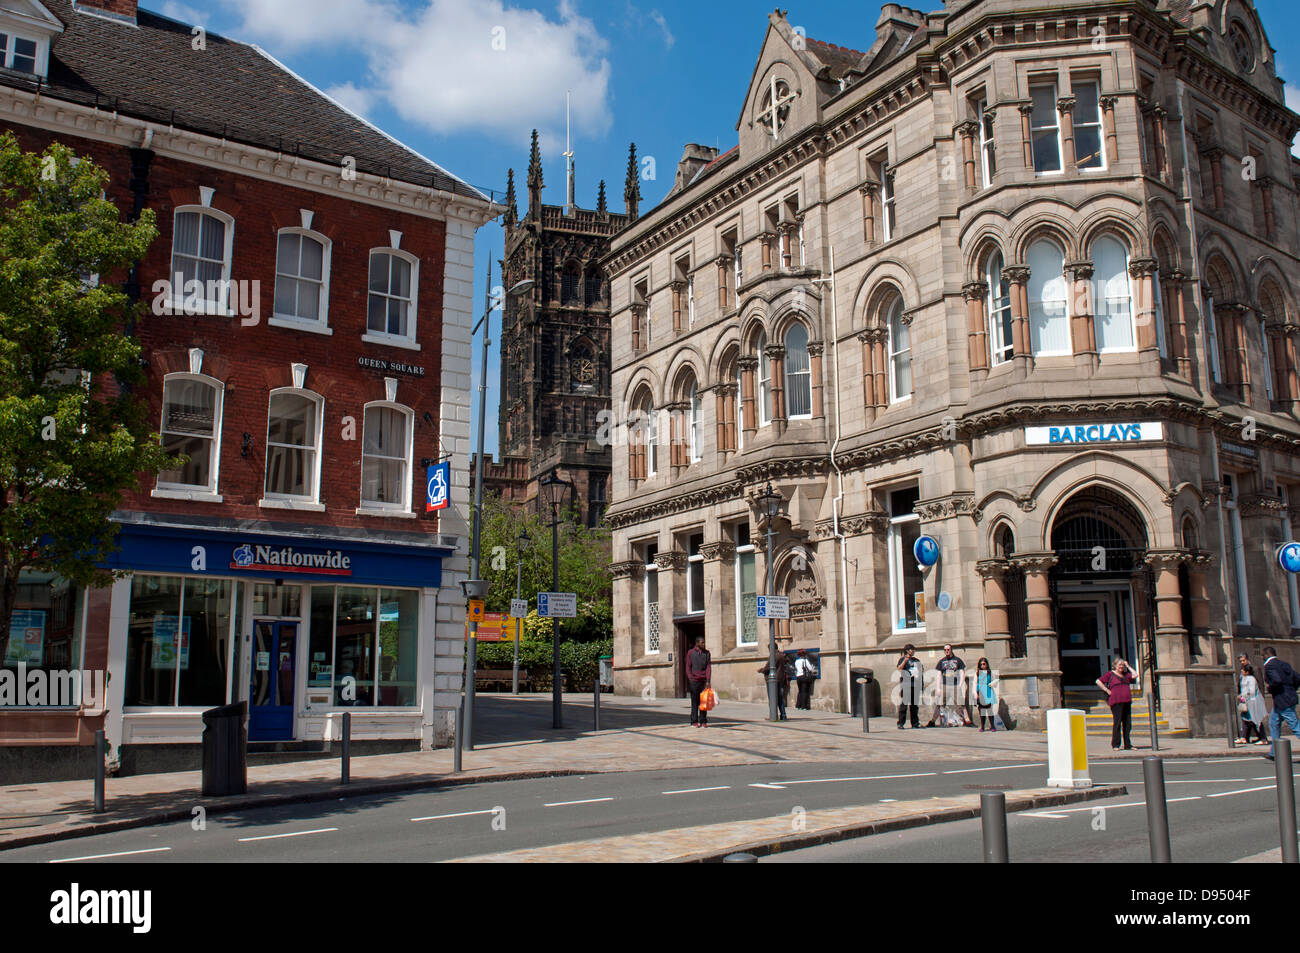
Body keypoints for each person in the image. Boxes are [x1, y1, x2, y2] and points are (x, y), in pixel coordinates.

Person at [1262, 647, 1300, 760]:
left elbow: (1277, 680)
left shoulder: (1269, 666)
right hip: (1286, 699)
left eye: (1263, 656)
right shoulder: (1284, 664)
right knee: (1273, 723)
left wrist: (1270, 687)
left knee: (1295, 725)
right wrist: (1292, 689)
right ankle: (1274, 752)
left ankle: (1275, 752)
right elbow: (1297, 678)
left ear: (1265, 655)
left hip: (1282, 700)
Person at [1096, 657, 1138, 750]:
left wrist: (1128, 666)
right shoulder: (1110, 674)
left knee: (1127, 724)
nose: (1121, 667)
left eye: (1123, 665)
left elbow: (1135, 675)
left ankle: (1128, 744)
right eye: (1120, 665)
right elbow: (1098, 681)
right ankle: (1115, 744)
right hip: (1116, 702)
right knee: (1117, 723)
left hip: (1126, 701)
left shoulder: (1126, 675)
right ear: (1115, 665)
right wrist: (1107, 690)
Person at [929, 644, 967, 727]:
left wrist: (960, 685)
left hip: (955, 685)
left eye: (948, 649)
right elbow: (938, 675)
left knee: (960, 704)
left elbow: (962, 672)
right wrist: (938, 687)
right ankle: (933, 721)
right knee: (939, 704)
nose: (947, 651)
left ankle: (965, 720)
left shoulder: (958, 660)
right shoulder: (942, 661)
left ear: (951, 650)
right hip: (945, 685)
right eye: (945, 650)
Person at [1238, 662, 1269, 746]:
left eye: (1243, 670)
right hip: (1248, 701)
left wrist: (1242, 696)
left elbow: (1251, 691)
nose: (1241, 671)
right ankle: (1243, 737)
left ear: (1247, 672)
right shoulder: (1245, 679)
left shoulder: (1251, 679)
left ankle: (1263, 738)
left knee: (1256, 720)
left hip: (1253, 702)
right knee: (1246, 719)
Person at [686, 634, 712, 727]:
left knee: (704, 702)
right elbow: (688, 666)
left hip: (704, 680)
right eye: (702, 642)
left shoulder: (707, 653)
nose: (704, 644)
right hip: (694, 681)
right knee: (695, 702)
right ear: (697, 643)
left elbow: (708, 667)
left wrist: (708, 680)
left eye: (704, 642)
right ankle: (694, 721)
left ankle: (703, 721)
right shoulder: (691, 653)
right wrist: (690, 678)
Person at [896, 644, 923, 728]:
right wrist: (905, 660)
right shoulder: (902, 659)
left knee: (914, 705)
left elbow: (921, 671)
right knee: (904, 704)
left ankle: (915, 723)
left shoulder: (916, 660)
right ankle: (901, 723)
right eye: (912, 649)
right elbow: (899, 668)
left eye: (914, 649)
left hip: (915, 684)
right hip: (906, 684)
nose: (913, 651)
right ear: (907, 650)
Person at [759, 653, 791, 720]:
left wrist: (762, 670)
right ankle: (783, 715)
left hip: (772, 679)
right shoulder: (782, 655)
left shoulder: (773, 655)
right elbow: (787, 661)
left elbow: (769, 667)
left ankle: (773, 715)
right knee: (780, 698)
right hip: (780, 678)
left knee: (772, 697)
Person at [975, 657, 997, 731]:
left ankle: (992, 726)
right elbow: (975, 684)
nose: (982, 666)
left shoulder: (990, 673)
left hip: (988, 692)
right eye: (981, 664)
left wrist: (990, 685)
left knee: (989, 710)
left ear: (987, 664)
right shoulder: (977, 673)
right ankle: (982, 727)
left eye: (984, 664)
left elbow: (994, 683)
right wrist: (976, 694)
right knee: (982, 711)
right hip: (980, 693)